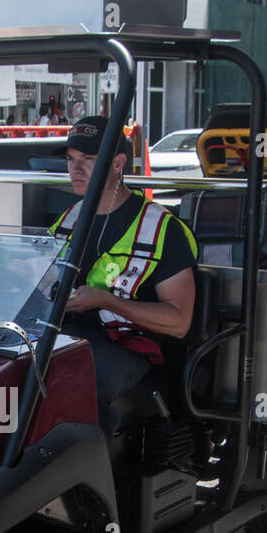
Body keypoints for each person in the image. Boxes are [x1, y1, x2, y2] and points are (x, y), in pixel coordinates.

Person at [51, 116, 199, 434]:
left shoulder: (163, 229)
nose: (75, 170)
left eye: (88, 160)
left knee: (77, 388)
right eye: (71, 160)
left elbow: (179, 321)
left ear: (118, 163)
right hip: (66, 334)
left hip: (128, 345)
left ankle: (86, 479)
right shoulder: (68, 219)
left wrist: (106, 301)